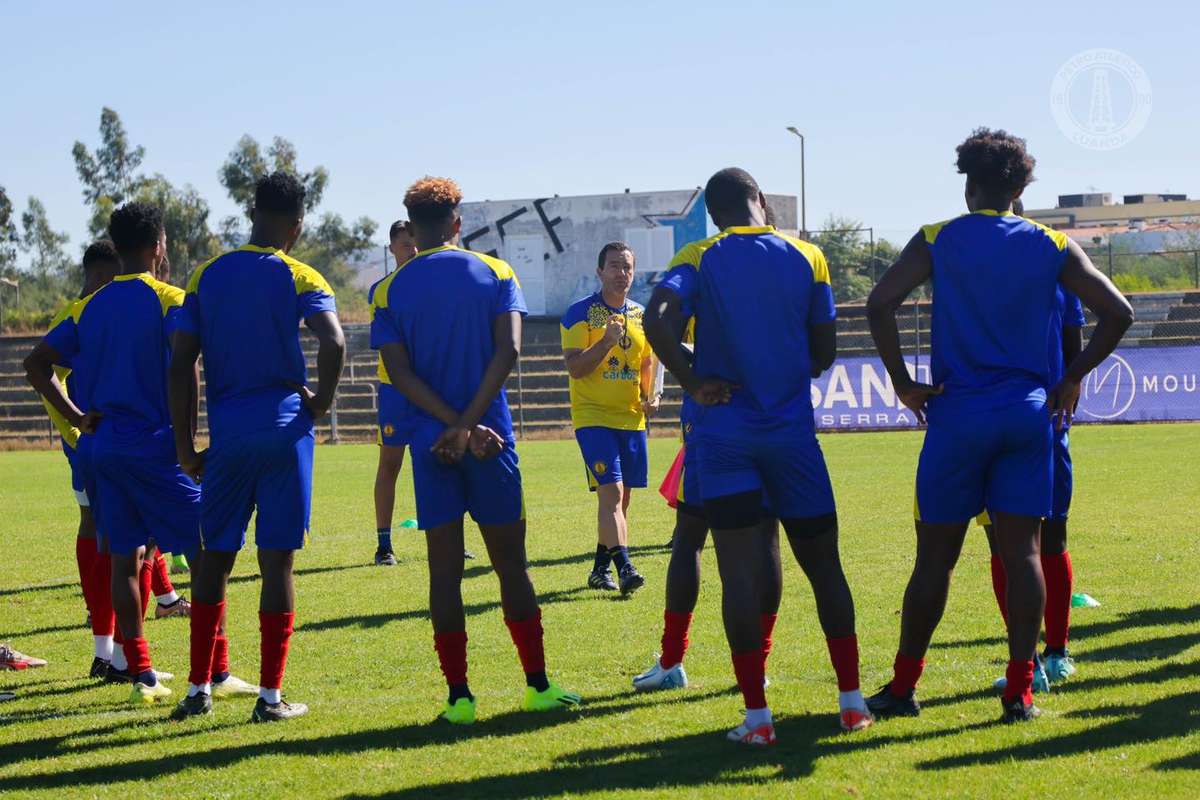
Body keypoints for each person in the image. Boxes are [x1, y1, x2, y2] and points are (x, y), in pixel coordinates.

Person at [864, 128, 1133, 724]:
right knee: (1024, 554)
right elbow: (1119, 312)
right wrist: (1071, 378)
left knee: (934, 560)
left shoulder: (938, 237)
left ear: (969, 186)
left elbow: (879, 303)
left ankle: (903, 688)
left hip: (957, 417)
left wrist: (903, 382)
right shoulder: (1052, 243)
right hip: (1027, 416)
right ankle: (1020, 691)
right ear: (1018, 190)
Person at [645, 167, 870, 745]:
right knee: (826, 568)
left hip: (725, 439)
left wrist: (694, 382)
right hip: (792, 436)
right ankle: (851, 703)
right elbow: (825, 350)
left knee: (738, 573)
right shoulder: (808, 256)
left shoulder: (699, 257)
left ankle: (758, 719)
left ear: (713, 214)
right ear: (762, 202)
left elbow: (656, 319)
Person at [372, 176, 580, 726]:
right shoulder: (497, 272)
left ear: (413, 227)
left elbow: (398, 373)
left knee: (444, 575)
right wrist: (470, 426)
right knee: (512, 567)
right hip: (492, 441)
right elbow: (509, 350)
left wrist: (450, 427)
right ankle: (538, 686)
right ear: (457, 223)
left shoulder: (389, 290)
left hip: (432, 447)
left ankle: (459, 699)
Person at [168, 172, 346, 723]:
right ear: (297, 225)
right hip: (285, 431)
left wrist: (186, 447)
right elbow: (334, 340)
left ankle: (198, 689)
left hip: (228, 436)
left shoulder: (207, 275)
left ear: (252, 213)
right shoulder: (299, 274)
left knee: (214, 561)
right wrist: (320, 403)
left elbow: (180, 362)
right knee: (277, 565)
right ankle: (270, 699)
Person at [24, 203, 207, 706]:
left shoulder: (88, 307)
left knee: (124, 559)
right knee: (206, 550)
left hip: (102, 449)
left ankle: (141, 672)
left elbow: (36, 364)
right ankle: (211, 670)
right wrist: (188, 446)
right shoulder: (169, 299)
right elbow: (186, 364)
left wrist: (78, 416)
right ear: (158, 247)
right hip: (155, 447)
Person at [980, 200, 1086, 693]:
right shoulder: (1051, 263)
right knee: (1028, 541)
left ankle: (1049, 656)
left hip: (1015, 424)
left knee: (1025, 542)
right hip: (1023, 423)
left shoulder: (1045, 264)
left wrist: (1071, 384)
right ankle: (1040, 659)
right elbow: (1076, 344)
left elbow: (1073, 340)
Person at [35, 240, 118, 678]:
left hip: (96, 440)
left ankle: (111, 638)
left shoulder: (95, 312)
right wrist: (74, 428)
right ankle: (113, 643)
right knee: (107, 528)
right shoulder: (77, 315)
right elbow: (47, 372)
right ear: (103, 275)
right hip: (90, 443)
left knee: (104, 526)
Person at [370, 220, 473, 565]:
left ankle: (452, 540)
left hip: (432, 389)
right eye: (404, 245)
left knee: (442, 461)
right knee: (390, 463)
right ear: (391, 249)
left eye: (415, 243)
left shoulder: (434, 287)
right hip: (395, 392)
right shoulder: (382, 290)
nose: (412, 250)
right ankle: (384, 545)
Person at [560, 242, 658, 595]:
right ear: (599, 271)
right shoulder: (582, 312)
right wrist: (605, 342)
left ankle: (600, 569)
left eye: (627, 267)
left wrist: (652, 395)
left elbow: (647, 362)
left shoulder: (640, 315)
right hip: (594, 417)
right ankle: (626, 567)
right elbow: (575, 368)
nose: (622, 273)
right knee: (612, 493)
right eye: (614, 266)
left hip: (631, 419)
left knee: (620, 500)